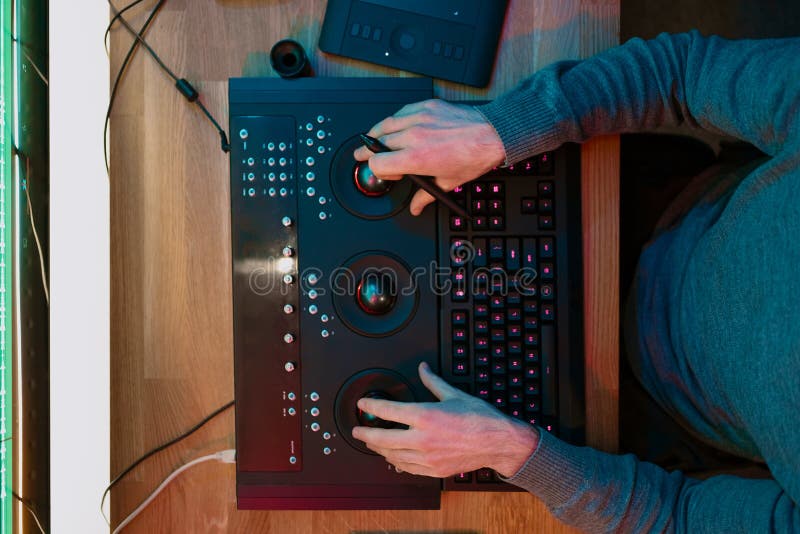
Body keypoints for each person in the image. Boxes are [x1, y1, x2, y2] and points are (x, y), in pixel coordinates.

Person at [351, 30, 799, 532]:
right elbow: (683, 74)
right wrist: (499, 130)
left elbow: (679, 519)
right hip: (646, 204)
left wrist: (507, 450)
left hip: (641, 412)